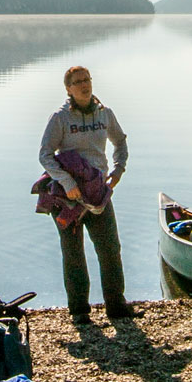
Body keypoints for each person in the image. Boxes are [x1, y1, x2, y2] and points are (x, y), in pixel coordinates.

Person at [38, 65, 132, 324]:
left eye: (87, 80)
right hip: (67, 197)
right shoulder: (60, 118)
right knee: (73, 253)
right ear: (68, 89)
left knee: (110, 249)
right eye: (78, 82)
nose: (84, 85)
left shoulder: (105, 114)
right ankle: (79, 312)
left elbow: (120, 141)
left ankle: (117, 307)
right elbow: (45, 154)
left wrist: (119, 168)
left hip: (98, 193)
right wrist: (66, 181)